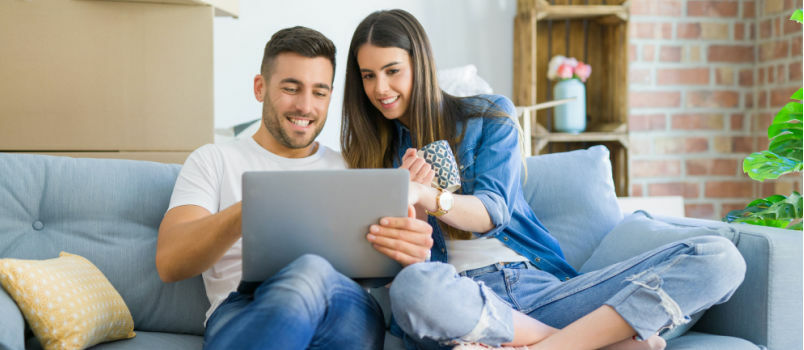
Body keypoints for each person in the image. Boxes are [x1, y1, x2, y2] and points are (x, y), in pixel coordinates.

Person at [341, 9, 746, 350]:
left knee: (719, 257)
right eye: (367, 76)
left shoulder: (488, 116)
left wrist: (428, 196)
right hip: (452, 300)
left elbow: (492, 211)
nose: (380, 88)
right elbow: (386, 270)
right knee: (413, 289)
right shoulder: (369, 155)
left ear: (419, 64)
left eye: (392, 71)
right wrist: (405, 204)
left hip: (534, 288)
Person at [156, 26, 434, 350]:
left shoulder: (353, 166)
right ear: (260, 88)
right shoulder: (213, 160)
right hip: (244, 312)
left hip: (345, 313)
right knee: (307, 270)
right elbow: (170, 262)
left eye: (319, 92)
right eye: (291, 88)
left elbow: (392, 276)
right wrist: (252, 211)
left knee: (312, 269)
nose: (305, 106)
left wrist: (412, 234)